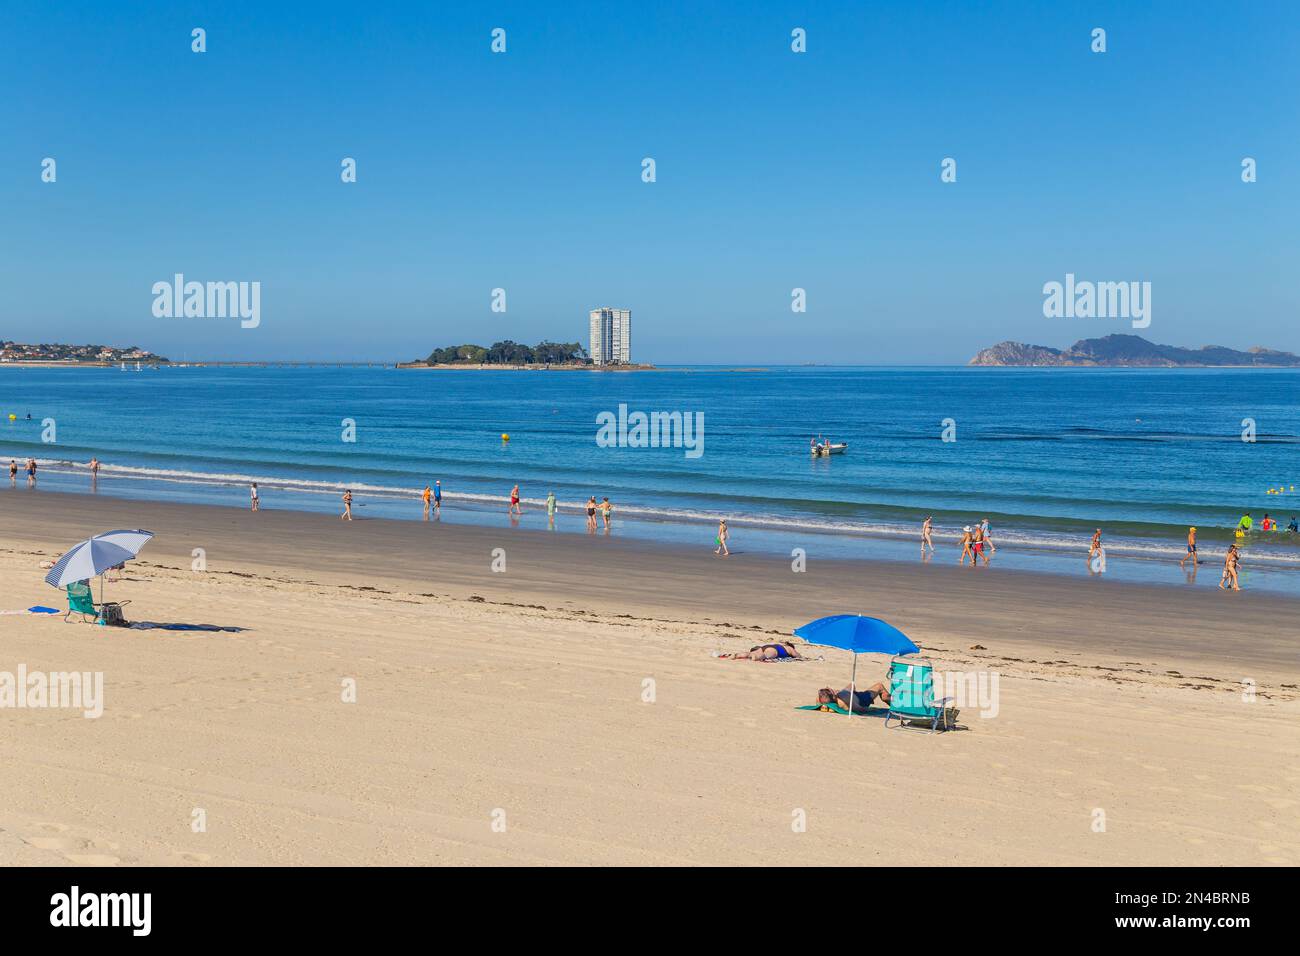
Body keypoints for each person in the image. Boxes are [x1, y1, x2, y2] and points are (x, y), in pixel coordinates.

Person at [720, 642, 802, 661]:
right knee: (766, 655)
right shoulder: (790, 649)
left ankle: (737, 655)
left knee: (751, 653)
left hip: (767, 646)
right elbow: (797, 656)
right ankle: (755, 658)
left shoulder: (780, 645)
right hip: (775, 650)